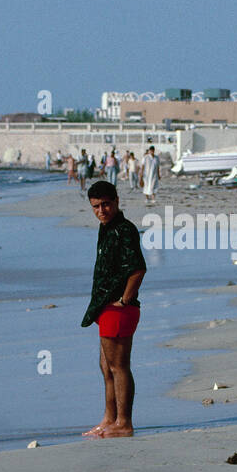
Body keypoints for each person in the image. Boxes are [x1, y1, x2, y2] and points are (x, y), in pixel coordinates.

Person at [81, 181, 146, 437]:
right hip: (104, 306)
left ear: (117, 201)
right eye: (96, 206)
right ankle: (110, 418)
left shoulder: (124, 230)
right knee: (106, 367)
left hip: (119, 308)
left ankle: (124, 423)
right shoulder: (106, 228)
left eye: (106, 204)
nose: (101, 210)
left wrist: (125, 300)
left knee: (119, 366)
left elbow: (138, 268)